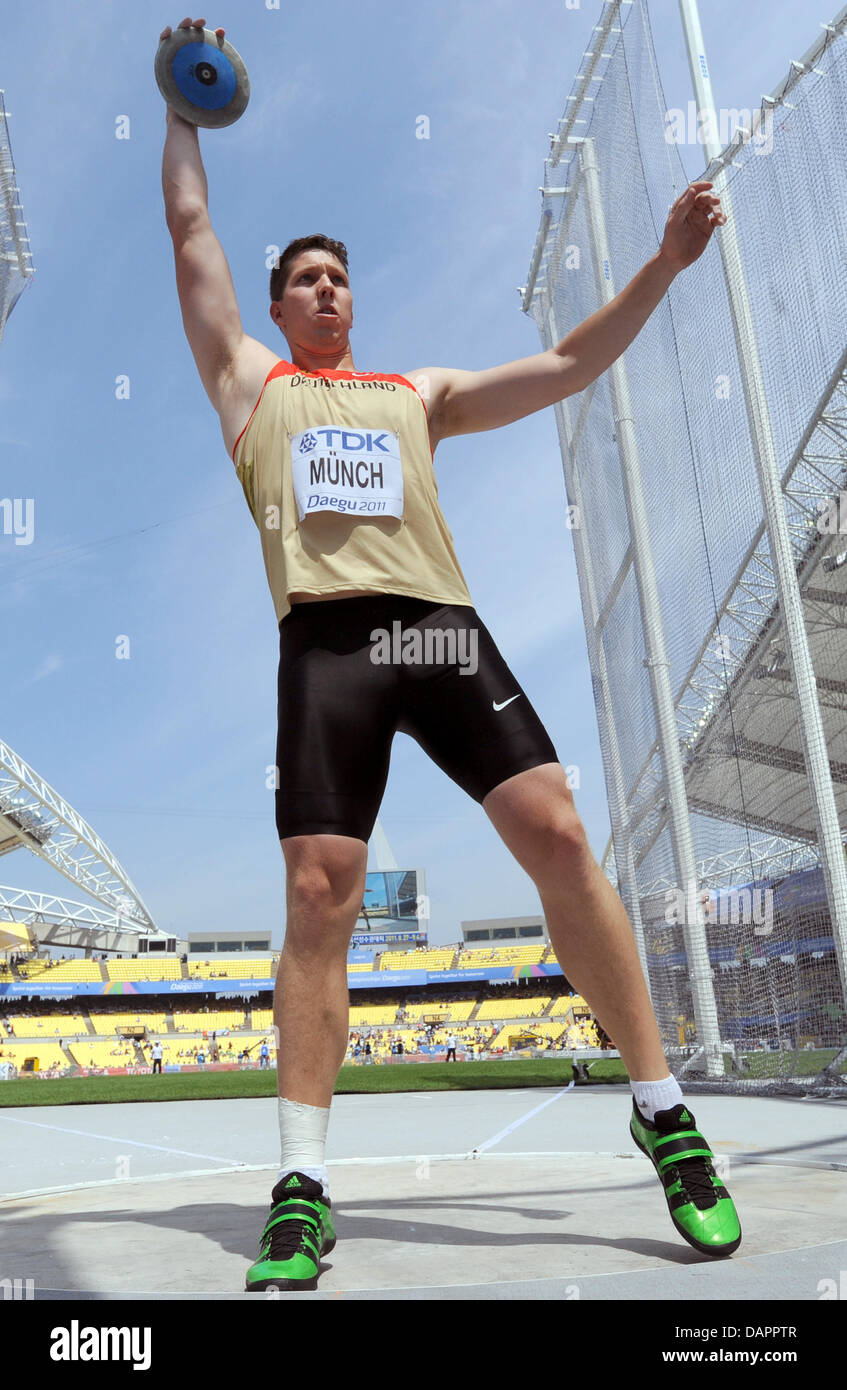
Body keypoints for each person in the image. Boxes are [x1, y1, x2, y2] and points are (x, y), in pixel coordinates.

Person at [160, 16, 740, 1294]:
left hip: (435, 626)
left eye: (337, 277)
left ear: (352, 301)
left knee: (558, 832)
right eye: (303, 277)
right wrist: (184, 112)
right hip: (324, 641)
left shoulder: (413, 395)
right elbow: (193, 241)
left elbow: (569, 363)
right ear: (274, 306)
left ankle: (664, 1115)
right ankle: (302, 1188)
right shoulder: (250, 386)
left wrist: (661, 265)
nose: (324, 289)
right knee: (322, 889)